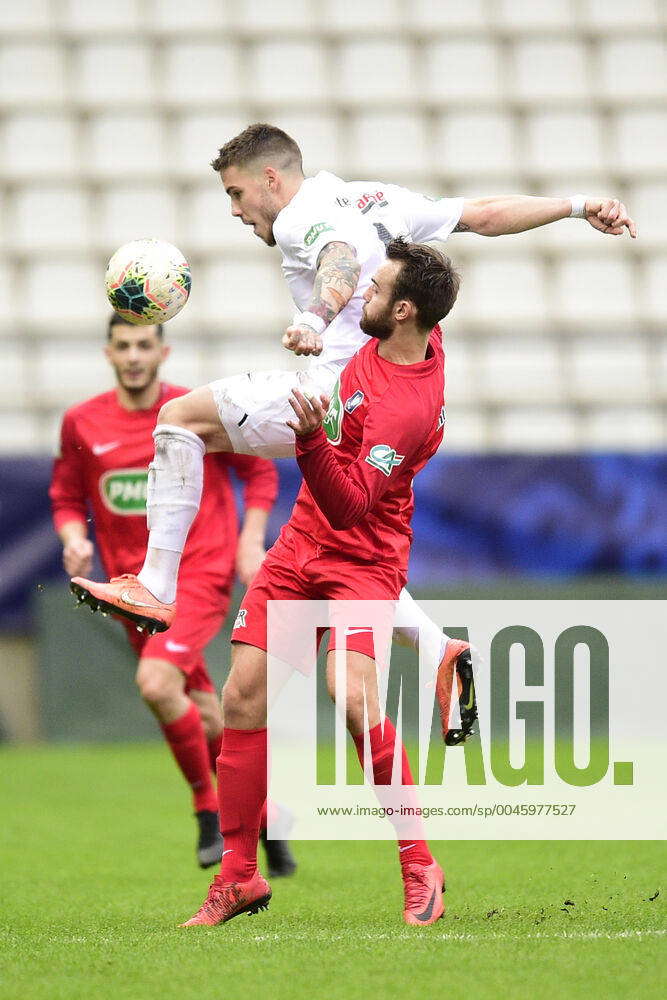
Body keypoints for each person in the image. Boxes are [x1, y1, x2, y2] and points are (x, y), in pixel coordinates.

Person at [70, 123, 636, 739]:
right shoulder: (369, 198)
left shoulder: (297, 218)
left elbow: (336, 257)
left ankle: (155, 583)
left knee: (178, 420)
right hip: (402, 391)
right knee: (352, 553)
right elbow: (479, 214)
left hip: (332, 396)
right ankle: (441, 649)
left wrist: (315, 314)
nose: (235, 211)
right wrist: (578, 206)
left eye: (235, 194)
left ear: (270, 179)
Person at [181, 239, 459, 928]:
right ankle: (238, 877)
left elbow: (351, 507)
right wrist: (321, 303)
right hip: (299, 545)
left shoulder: (407, 408)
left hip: (362, 561)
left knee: (352, 696)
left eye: (375, 288)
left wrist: (308, 441)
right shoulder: (408, 329)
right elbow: (391, 277)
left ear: (402, 312)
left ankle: (419, 864)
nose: (361, 292)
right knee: (241, 697)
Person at [51, 313, 295, 876]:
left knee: (156, 684)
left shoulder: (189, 412)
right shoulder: (83, 423)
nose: (134, 355)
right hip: (129, 589)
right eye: (123, 346)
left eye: (144, 345)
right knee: (206, 712)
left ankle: (208, 812)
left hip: (197, 574)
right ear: (108, 354)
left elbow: (259, 473)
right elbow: (65, 493)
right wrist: (72, 537)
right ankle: (266, 817)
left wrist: (249, 541)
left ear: (163, 353)